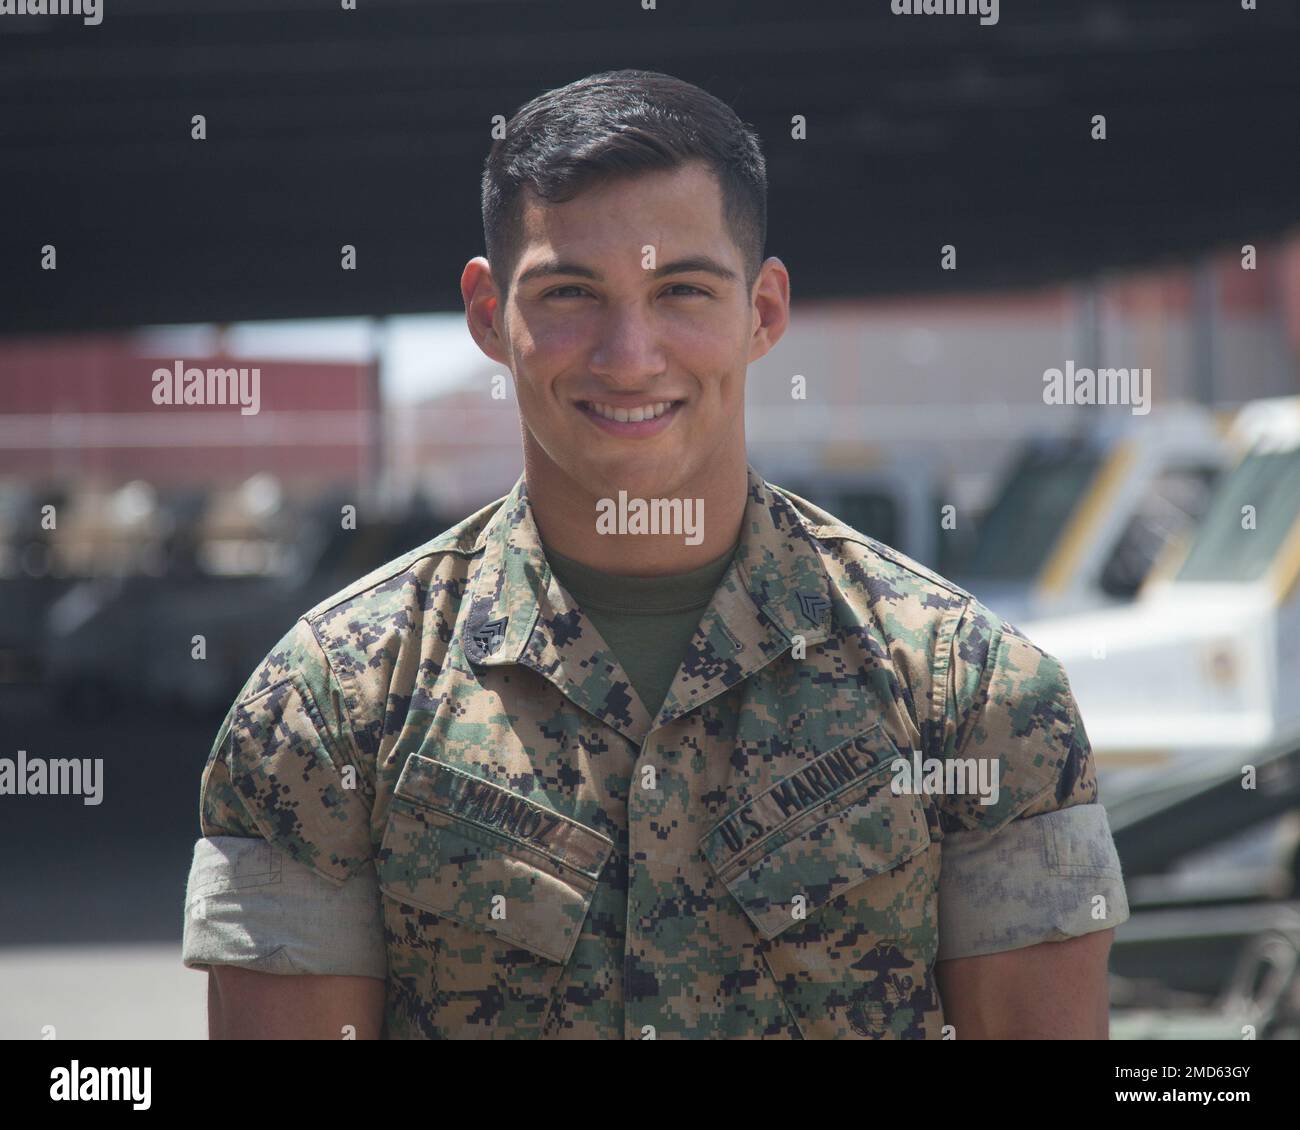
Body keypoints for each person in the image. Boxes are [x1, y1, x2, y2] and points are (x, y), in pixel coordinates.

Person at [182, 68, 1128, 1039]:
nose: (628, 354)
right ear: (485, 315)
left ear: (762, 310)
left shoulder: (967, 693)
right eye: (569, 293)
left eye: (681, 289)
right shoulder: (332, 705)